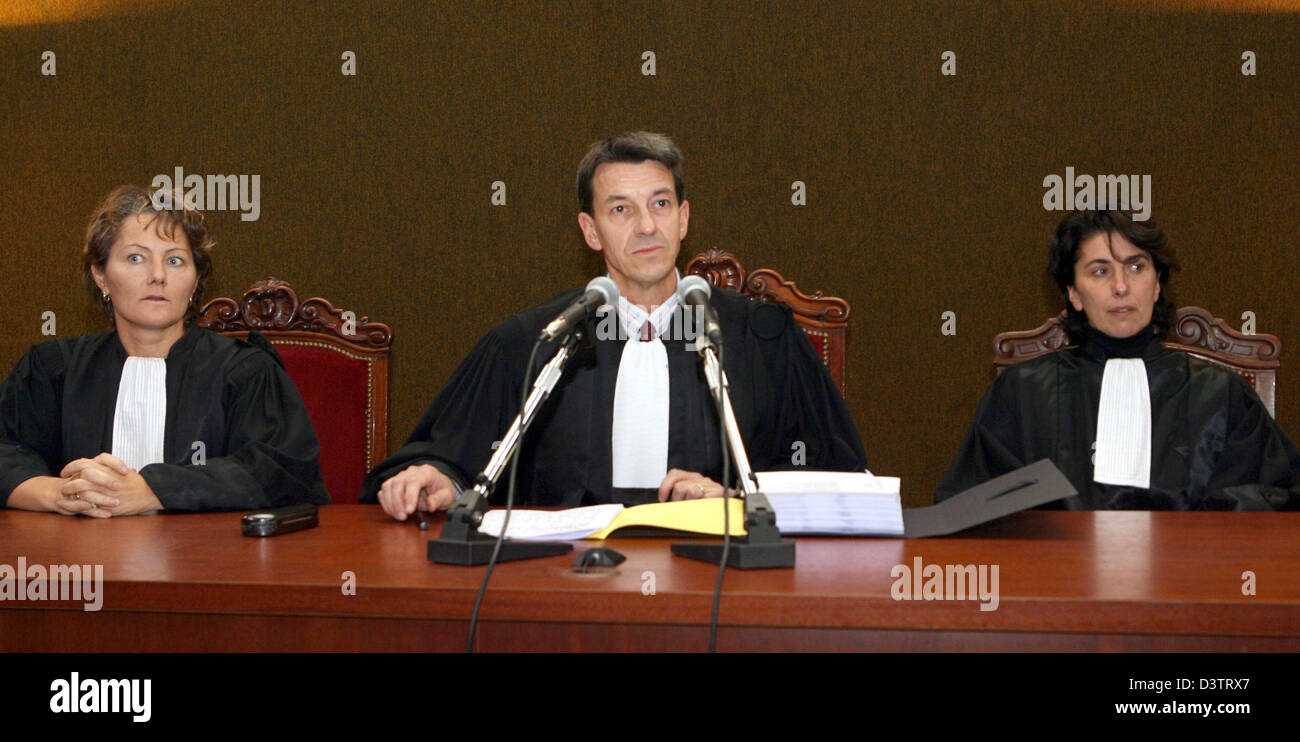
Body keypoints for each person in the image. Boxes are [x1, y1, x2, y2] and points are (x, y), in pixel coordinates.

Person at [364, 131, 867, 519]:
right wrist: (437, 480)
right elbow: (450, 457)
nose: (646, 225)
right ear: (591, 231)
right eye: (621, 209)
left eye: (661, 204)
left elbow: (841, 483)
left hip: (721, 587)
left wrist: (734, 499)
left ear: (684, 218)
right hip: (566, 591)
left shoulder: (762, 337)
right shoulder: (534, 343)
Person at [936, 209, 1299, 510]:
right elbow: (966, 507)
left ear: (1157, 285)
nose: (1121, 286)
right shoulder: (1021, 393)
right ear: (1074, 293)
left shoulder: (1222, 395)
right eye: (1100, 270)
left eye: (1136, 267)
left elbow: (1278, 498)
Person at [0, 185, 329, 516]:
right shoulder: (52, 368)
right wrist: (59, 493)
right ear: (100, 275)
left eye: (174, 261)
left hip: (209, 563)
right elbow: (7, 453)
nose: (157, 276)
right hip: (81, 563)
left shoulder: (246, 371)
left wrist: (153, 490)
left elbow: (283, 473)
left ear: (196, 281)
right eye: (135, 258)